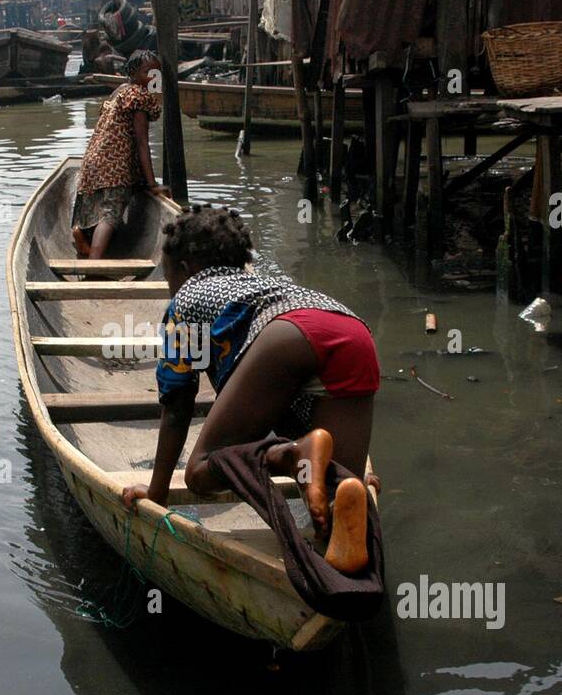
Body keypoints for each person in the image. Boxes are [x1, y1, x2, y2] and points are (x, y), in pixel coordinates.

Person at [121, 207, 382, 573]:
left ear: (183, 267)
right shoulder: (259, 285)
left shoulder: (188, 297)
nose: (169, 287)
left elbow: (178, 406)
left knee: (199, 472)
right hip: (352, 331)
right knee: (336, 489)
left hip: (289, 336)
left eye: (167, 277)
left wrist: (158, 495)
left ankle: (291, 456)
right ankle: (346, 500)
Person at [70, 50, 169, 260]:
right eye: (148, 72)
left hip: (93, 161)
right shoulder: (139, 96)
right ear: (133, 74)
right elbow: (142, 142)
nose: (154, 77)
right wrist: (152, 185)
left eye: (157, 72)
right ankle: (94, 262)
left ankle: (82, 235)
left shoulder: (120, 92)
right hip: (114, 165)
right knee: (111, 216)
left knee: (97, 208)